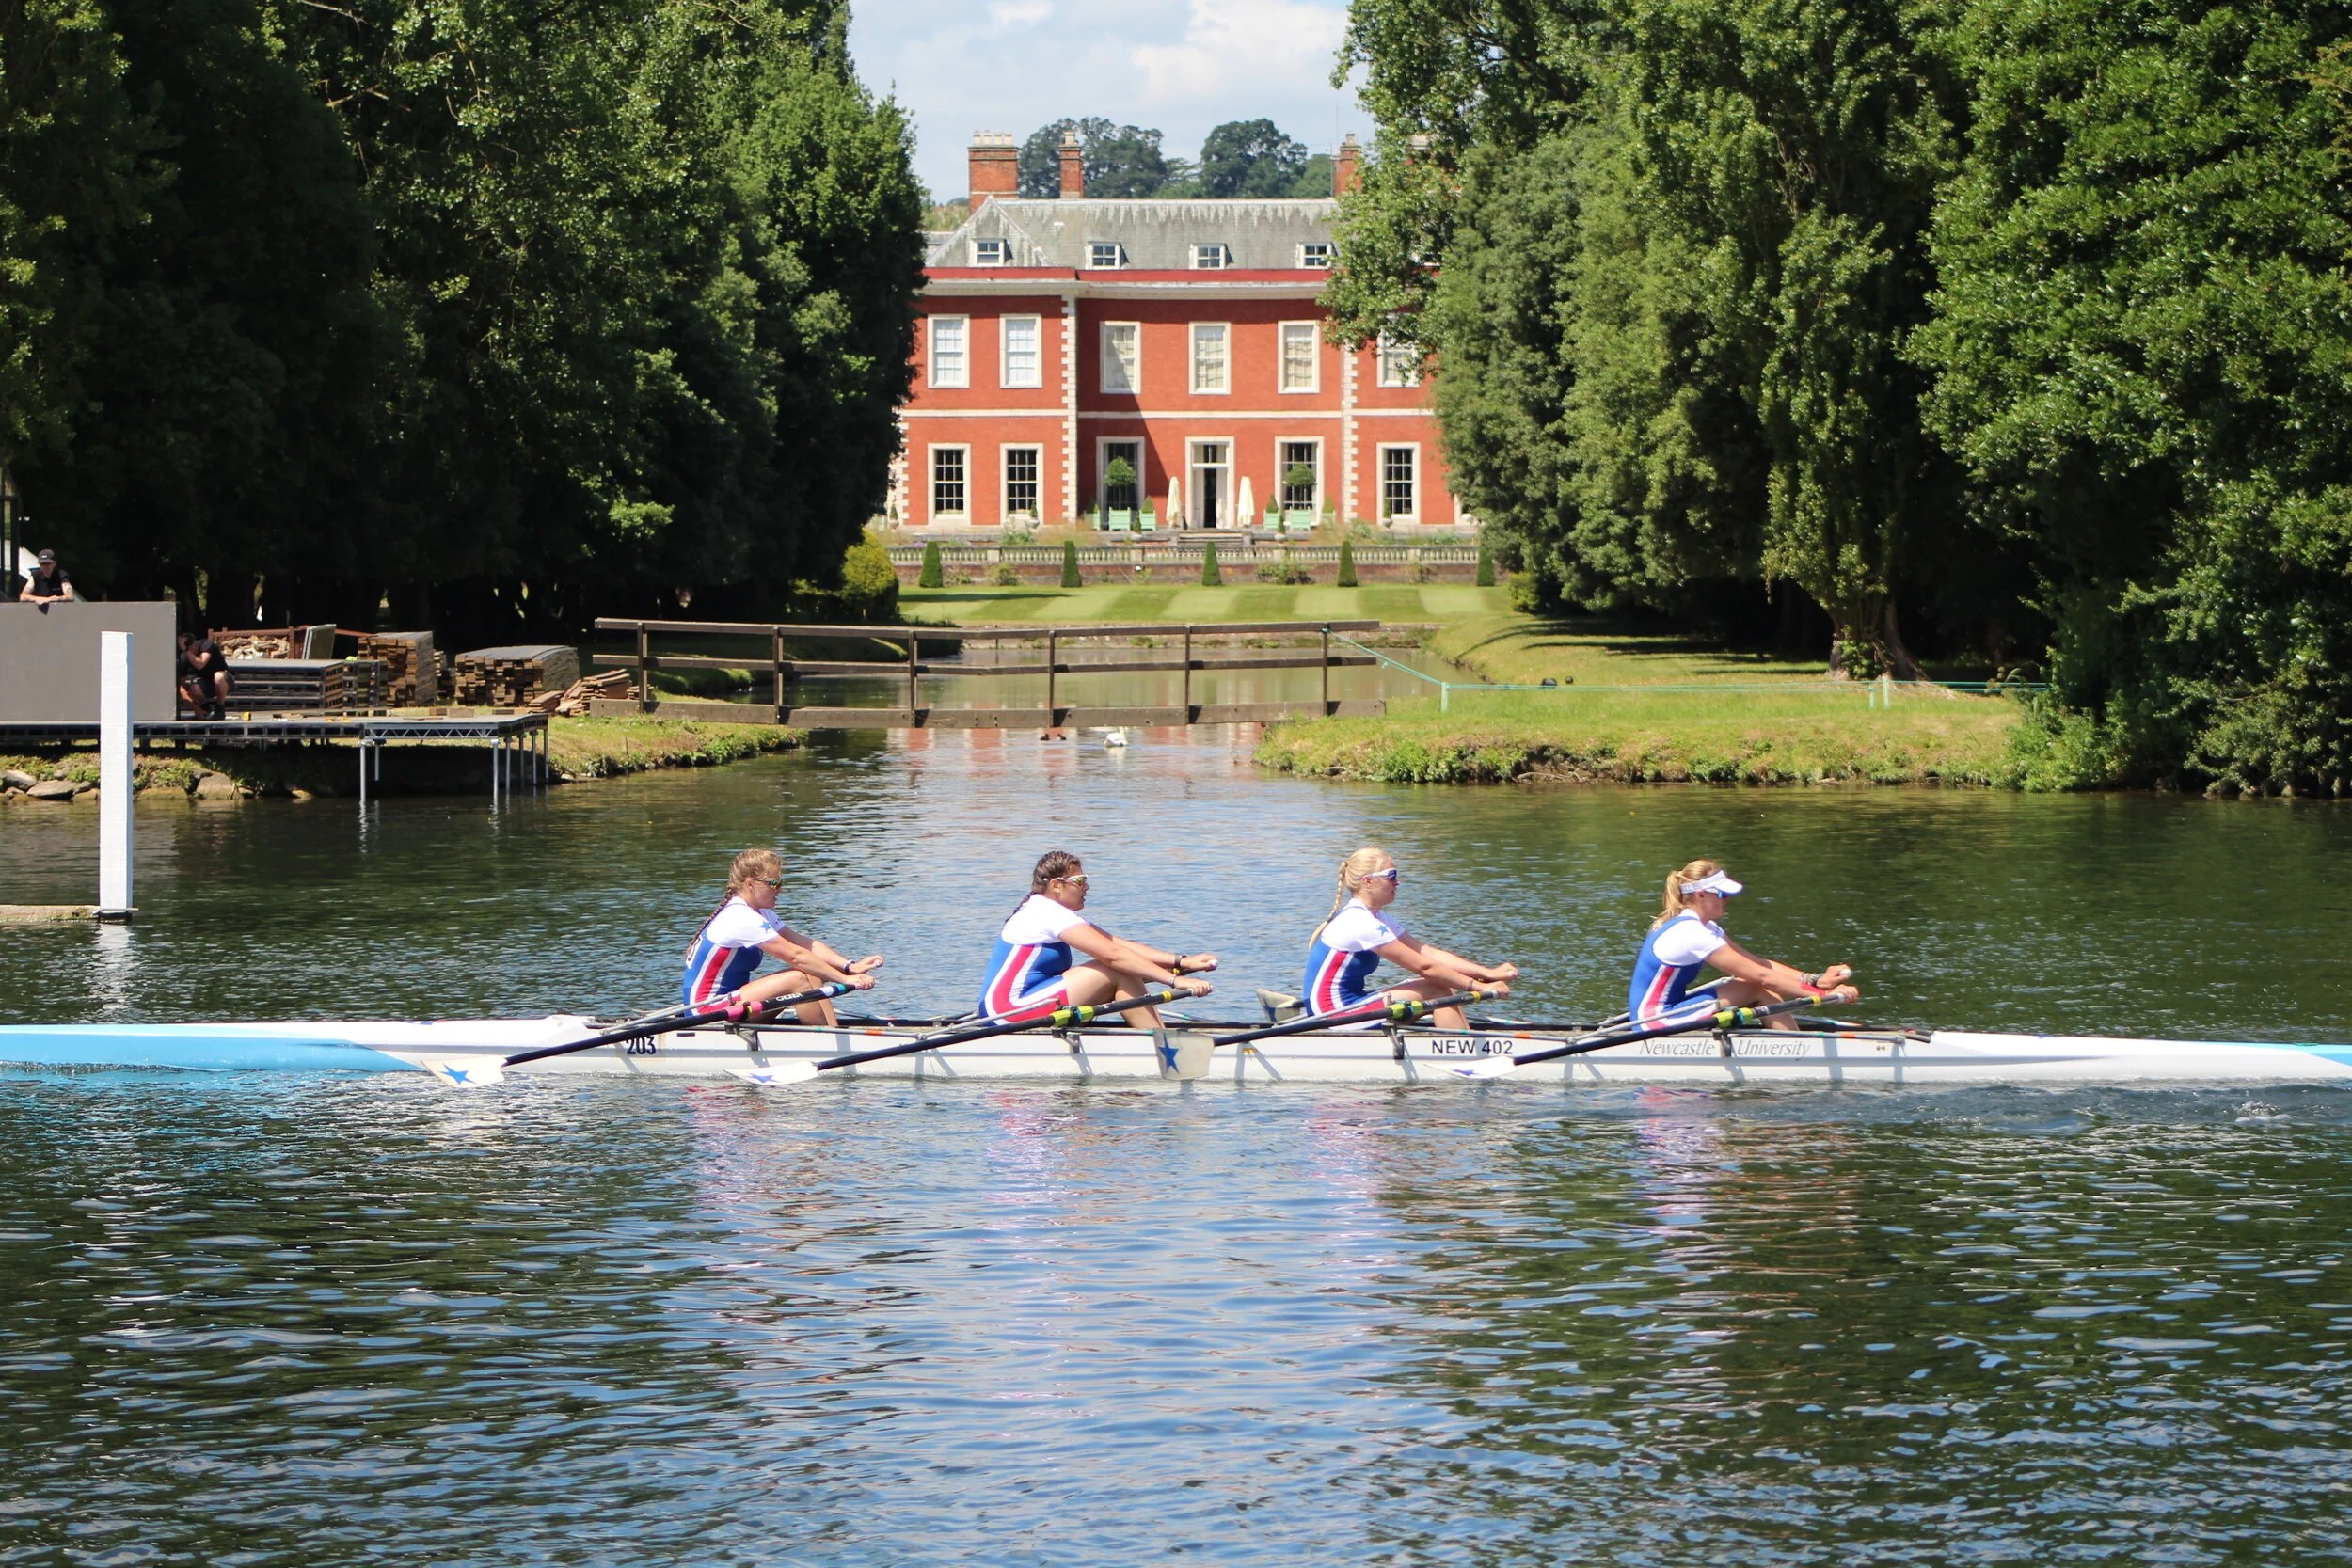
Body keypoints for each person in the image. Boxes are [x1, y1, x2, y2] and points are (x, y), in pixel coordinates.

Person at [978, 850, 1214, 1028]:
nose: (1087, 887)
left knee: (1124, 968)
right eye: (1080, 881)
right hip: (1007, 1010)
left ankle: (1157, 1040)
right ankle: (1162, 1047)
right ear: (1056, 885)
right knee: (1117, 969)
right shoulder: (1046, 912)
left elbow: (1116, 944)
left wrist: (1181, 962)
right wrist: (1174, 981)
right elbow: (1114, 956)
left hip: (1029, 1000)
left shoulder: (1050, 910)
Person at [1302, 847, 1517, 1031]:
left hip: (1353, 1002)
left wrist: (1487, 973)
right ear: (1367, 881)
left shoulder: (1376, 916)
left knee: (1441, 984)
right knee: (1437, 988)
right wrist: (1479, 987)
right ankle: (1462, 1052)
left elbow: (1428, 953)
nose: (1398, 882)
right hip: (1333, 1013)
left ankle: (1461, 1040)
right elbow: (1425, 967)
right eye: (1391, 875)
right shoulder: (1359, 921)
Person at [1629, 860, 1860, 1032]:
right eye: (1722, 894)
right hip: (1654, 1021)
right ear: (1700, 895)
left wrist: (1815, 980)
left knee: (1753, 985)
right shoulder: (1692, 933)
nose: (1728, 900)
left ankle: (1792, 1046)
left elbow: (1759, 965)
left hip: (1674, 1008)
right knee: (1757, 988)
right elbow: (1763, 977)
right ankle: (1798, 1054)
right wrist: (1826, 995)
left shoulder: (1705, 927)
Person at [681, 848, 882, 1024]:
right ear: (750, 884)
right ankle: (823, 1042)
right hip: (707, 1012)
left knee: (811, 973)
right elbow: (797, 956)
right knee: (799, 979)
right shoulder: (740, 917)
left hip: (733, 1002)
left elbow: (806, 945)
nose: (780, 889)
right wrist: (845, 979)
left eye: (780, 883)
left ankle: (832, 1033)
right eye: (774, 883)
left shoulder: (760, 912)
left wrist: (849, 966)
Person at [177, 630, 230, 719]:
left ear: (196, 645)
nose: (189, 654)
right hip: (206, 683)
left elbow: (200, 664)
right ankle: (204, 709)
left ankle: (220, 708)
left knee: (218, 677)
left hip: (224, 681)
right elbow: (181, 685)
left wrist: (186, 650)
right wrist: (196, 708)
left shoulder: (207, 645)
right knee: (193, 687)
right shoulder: (185, 656)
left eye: (190, 649)